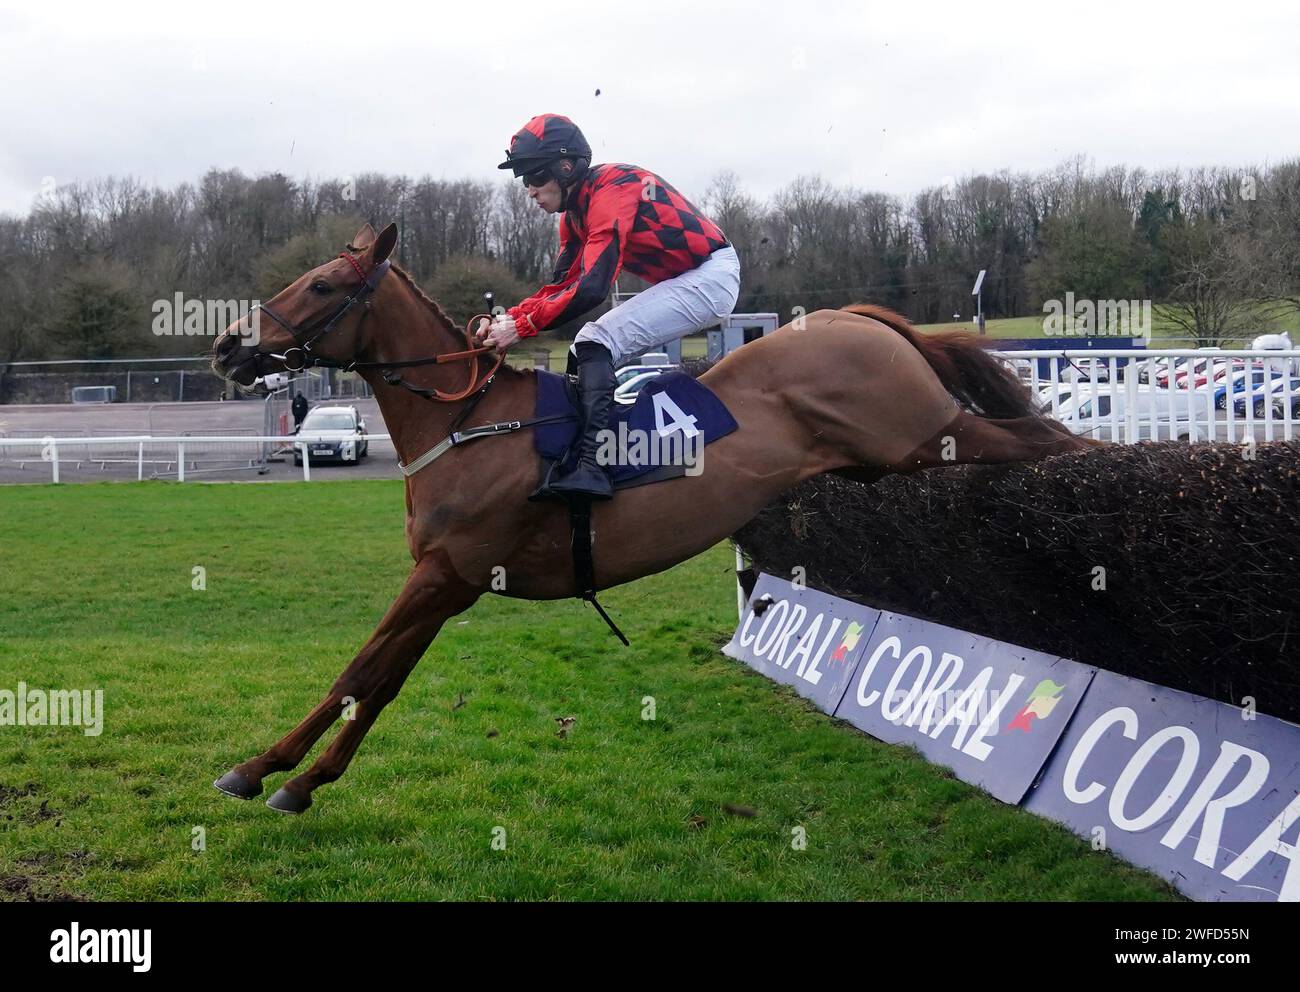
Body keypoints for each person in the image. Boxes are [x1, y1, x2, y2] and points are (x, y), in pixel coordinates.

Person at [479, 114, 741, 500]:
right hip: (689, 277)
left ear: (564, 167)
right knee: (582, 348)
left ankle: (595, 467)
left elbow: (591, 288)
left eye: (533, 177)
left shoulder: (613, 189)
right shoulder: (574, 216)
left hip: (711, 276)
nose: (529, 190)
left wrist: (521, 329)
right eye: (523, 180)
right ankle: (581, 458)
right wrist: (511, 318)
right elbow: (561, 286)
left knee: (595, 340)